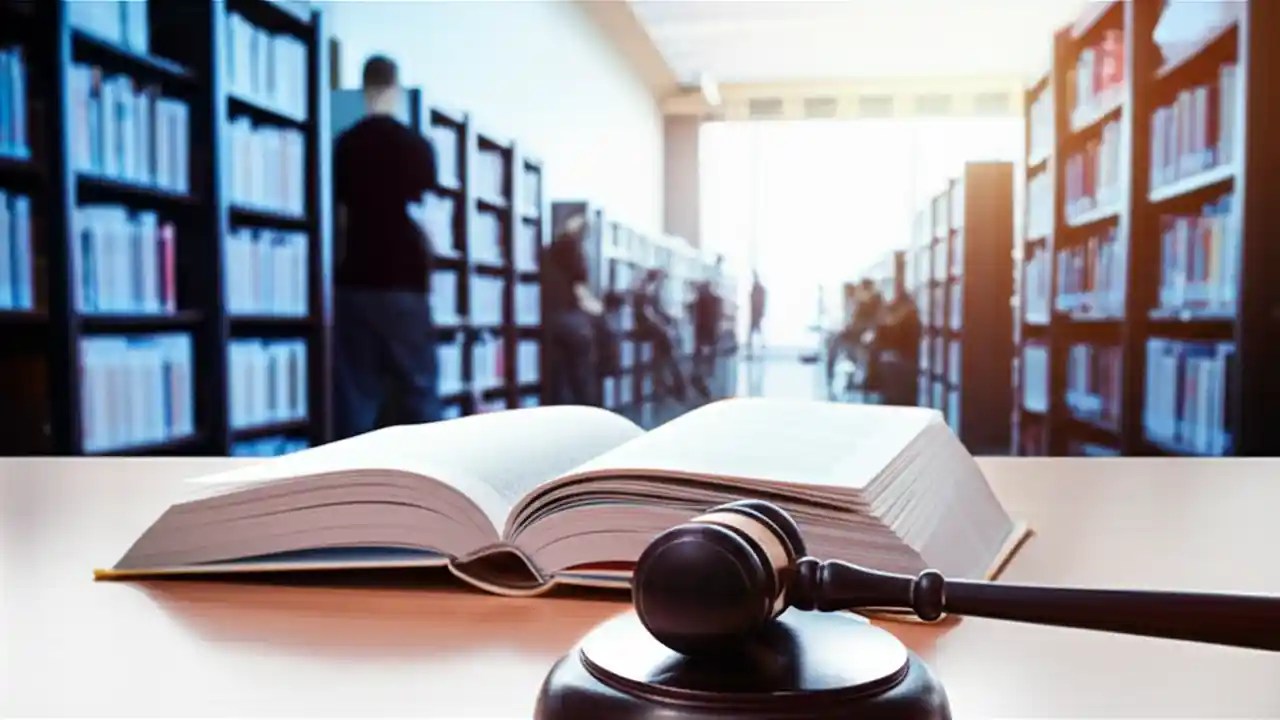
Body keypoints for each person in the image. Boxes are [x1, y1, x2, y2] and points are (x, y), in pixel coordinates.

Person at [331, 55, 442, 439]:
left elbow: (339, 217)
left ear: (363, 89)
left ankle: (350, 488)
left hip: (355, 277)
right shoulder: (417, 147)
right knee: (420, 390)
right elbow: (428, 217)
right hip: (404, 279)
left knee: (356, 398)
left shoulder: (343, 145)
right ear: (396, 89)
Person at [543, 215, 604, 405]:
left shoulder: (546, 251)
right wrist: (597, 308)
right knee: (583, 374)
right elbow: (580, 287)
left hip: (547, 322)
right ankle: (592, 412)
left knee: (558, 379)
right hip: (569, 320)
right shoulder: (572, 249)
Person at [635, 268, 686, 401]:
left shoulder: (652, 290)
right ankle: (678, 387)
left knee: (665, 350)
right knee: (668, 344)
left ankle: (668, 384)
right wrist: (663, 326)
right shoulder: (644, 290)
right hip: (643, 328)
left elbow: (658, 310)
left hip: (654, 330)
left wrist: (670, 320)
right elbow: (647, 313)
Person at [869, 279, 922, 406]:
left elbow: (889, 336)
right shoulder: (909, 315)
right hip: (906, 364)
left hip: (903, 365)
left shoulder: (908, 316)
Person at [827, 279, 883, 395]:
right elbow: (852, 324)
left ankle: (860, 379)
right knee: (834, 342)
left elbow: (873, 325)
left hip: (863, 339)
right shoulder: (860, 306)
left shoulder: (874, 305)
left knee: (862, 352)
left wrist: (867, 333)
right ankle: (831, 375)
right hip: (854, 336)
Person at [690, 278, 723, 399]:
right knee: (705, 363)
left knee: (703, 363)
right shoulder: (711, 300)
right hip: (706, 337)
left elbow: (705, 322)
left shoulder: (704, 301)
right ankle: (703, 387)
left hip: (704, 337)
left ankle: (702, 386)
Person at [748, 272, 766, 355]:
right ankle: (758, 344)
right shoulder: (757, 289)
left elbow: (759, 301)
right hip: (755, 312)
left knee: (754, 329)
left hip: (756, 312)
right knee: (755, 329)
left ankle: (756, 344)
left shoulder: (758, 289)